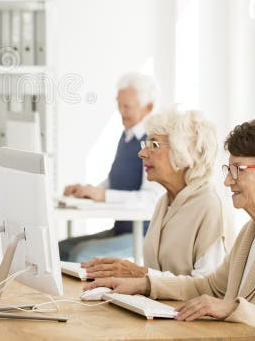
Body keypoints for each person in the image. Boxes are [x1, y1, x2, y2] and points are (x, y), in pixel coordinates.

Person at [85, 117, 255, 340]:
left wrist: (234, 309)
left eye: (238, 170)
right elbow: (211, 287)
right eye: (228, 168)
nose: (228, 180)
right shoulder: (253, 230)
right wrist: (144, 285)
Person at [82, 108, 233, 279]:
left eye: (153, 145)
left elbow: (207, 287)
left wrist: (138, 274)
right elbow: (158, 275)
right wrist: (119, 272)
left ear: (184, 153)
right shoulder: (165, 202)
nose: (142, 153)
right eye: (145, 145)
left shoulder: (210, 206)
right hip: (155, 306)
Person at [59, 72, 164, 262]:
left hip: (143, 234)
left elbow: (150, 199)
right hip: (121, 229)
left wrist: (103, 196)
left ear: (148, 107)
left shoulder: (152, 143)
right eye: (119, 104)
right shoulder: (126, 137)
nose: (121, 111)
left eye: (127, 106)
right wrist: (88, 191)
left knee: (80, 255)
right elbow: (115, 180)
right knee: (61, 248)